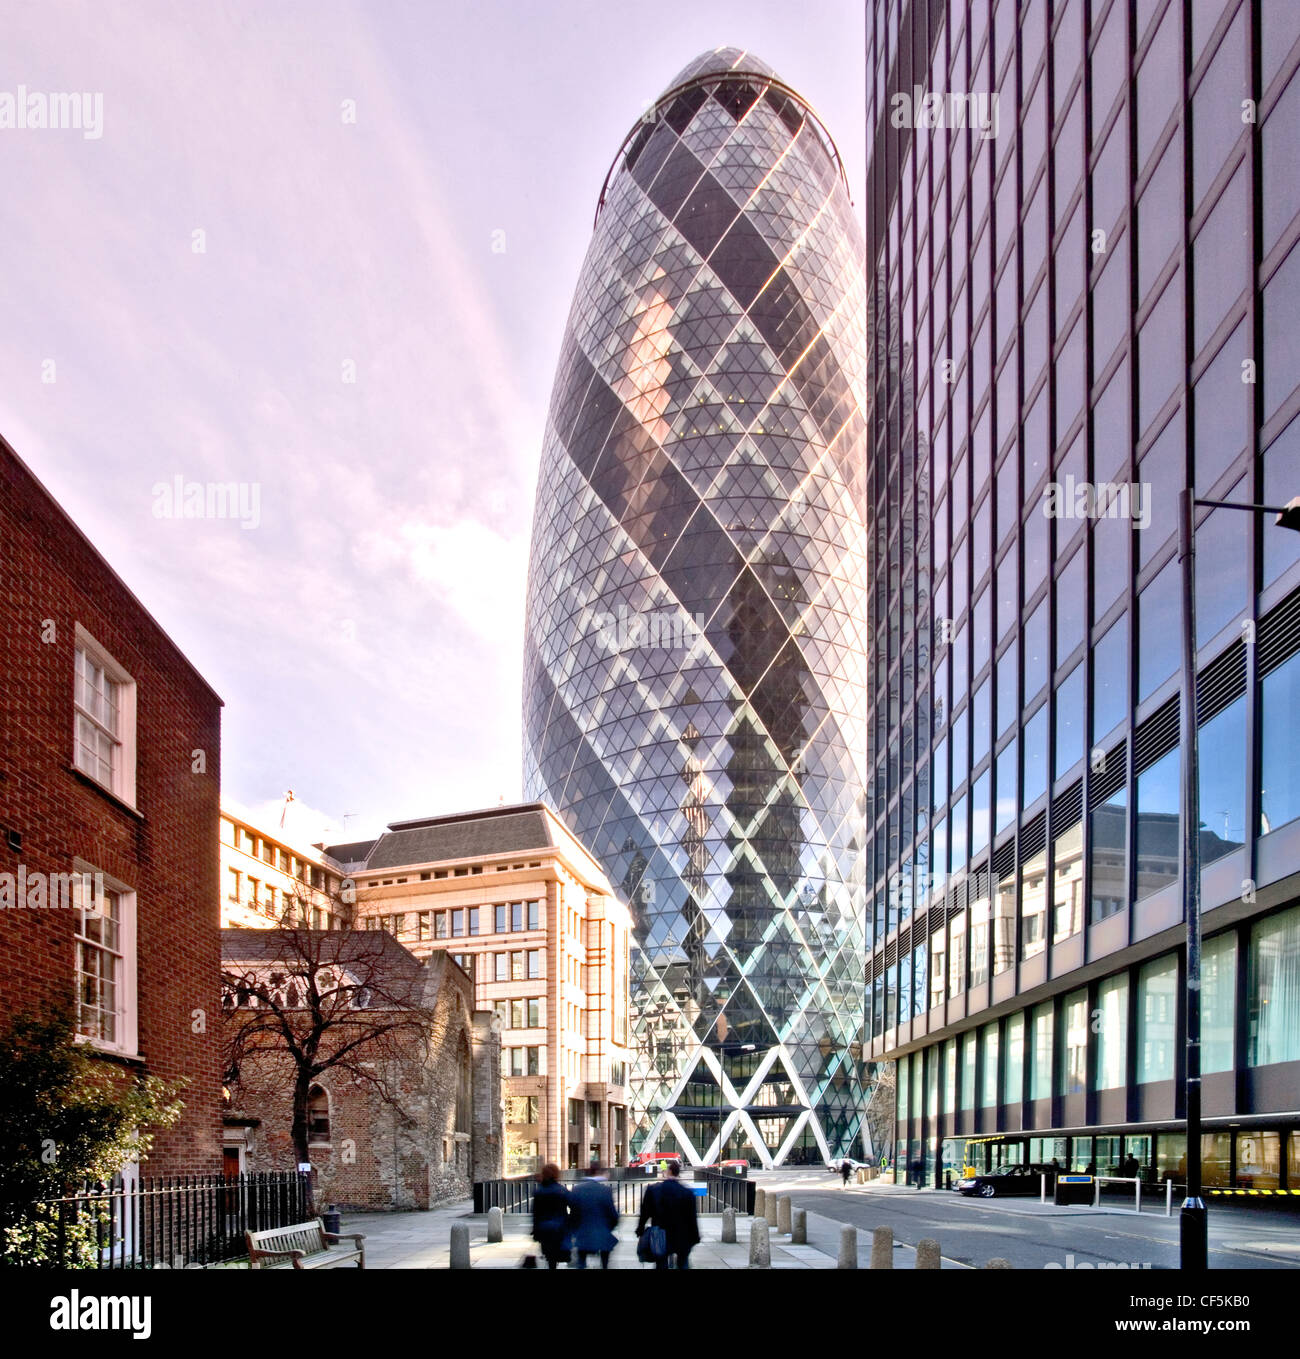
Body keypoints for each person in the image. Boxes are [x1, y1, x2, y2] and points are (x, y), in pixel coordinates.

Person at [635, 1159, 700, 1269]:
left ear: (668, 1172)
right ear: (678, 1173)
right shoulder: (688, 1193)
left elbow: (645, 1213)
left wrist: (640, 1229)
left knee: (661, 1263)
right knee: (683, 1262)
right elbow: (692, 1218)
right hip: (682, 1235)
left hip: (660, 1234)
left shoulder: (653, 1190)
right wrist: (695, 1237)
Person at [570, 1161, 619, 1269]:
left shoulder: (577, 1189)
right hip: (602, 1233)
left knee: (581, 1261)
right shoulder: (606, 1190)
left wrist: (575, 1230)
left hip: (583, 1233)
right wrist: (608, 1228)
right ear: (599, 1172)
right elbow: (613, 1215)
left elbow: (573, 1214)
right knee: (605, 1260)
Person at [531, 1163, 572, 1269]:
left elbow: (535, 1214)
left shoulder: (539, 1191)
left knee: (550, 1256)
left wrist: (535, 1231)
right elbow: (573, 1206)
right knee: (557, 1253)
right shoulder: (562, 1190)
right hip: (560, 1227)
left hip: (544, 1228)